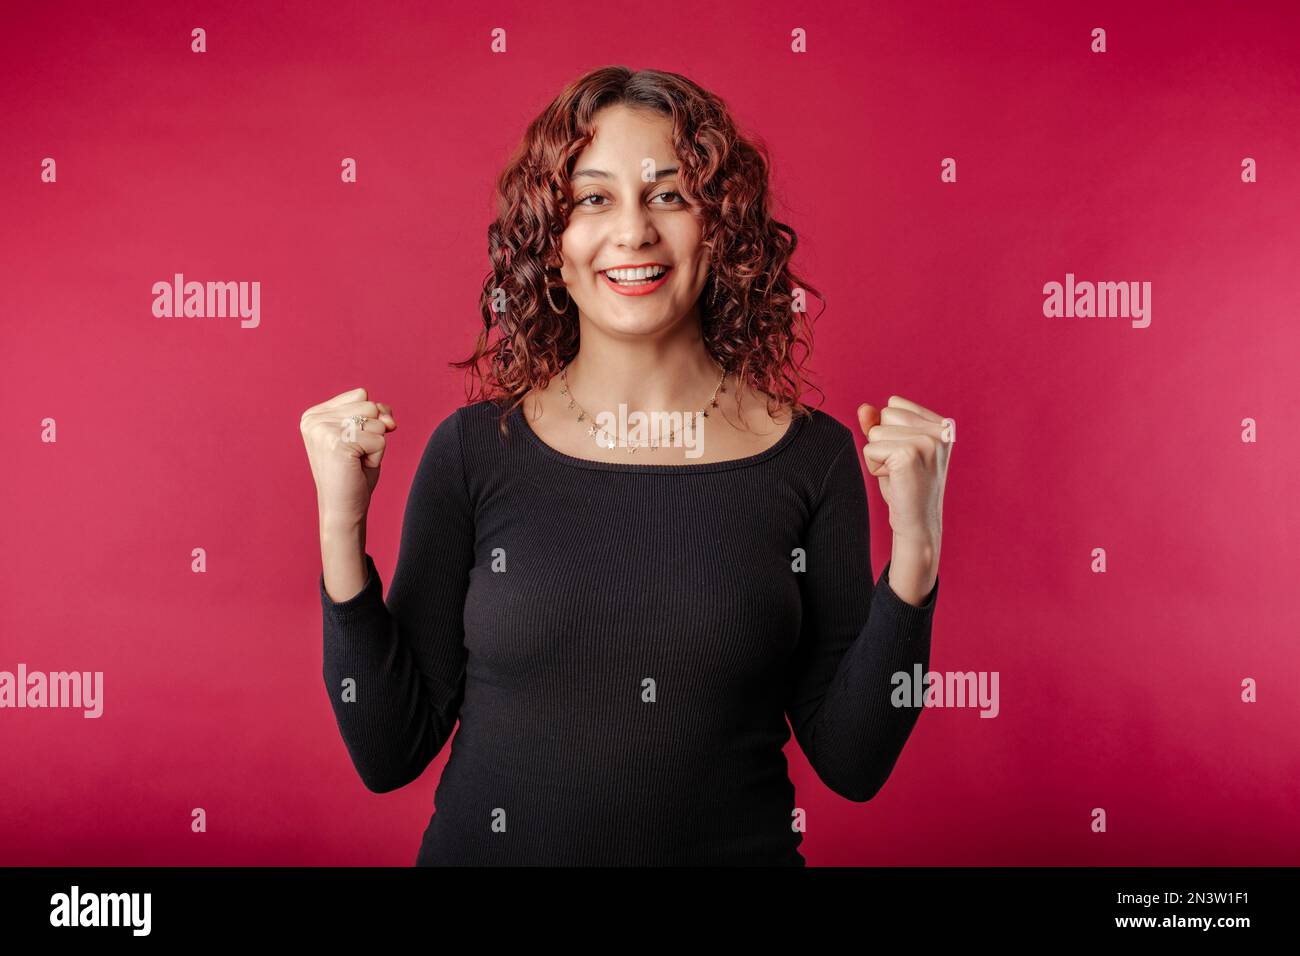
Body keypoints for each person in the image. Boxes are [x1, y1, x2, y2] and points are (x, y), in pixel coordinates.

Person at [300, 66, 952, 865]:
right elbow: (387, 751)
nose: (634, 232)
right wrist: (341, 526)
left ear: (720, 229)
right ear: (552, 239)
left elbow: (854, 765)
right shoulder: (473, 452)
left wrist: (916, 554)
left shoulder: (810, 458)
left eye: (670, 195)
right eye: (594, 198)